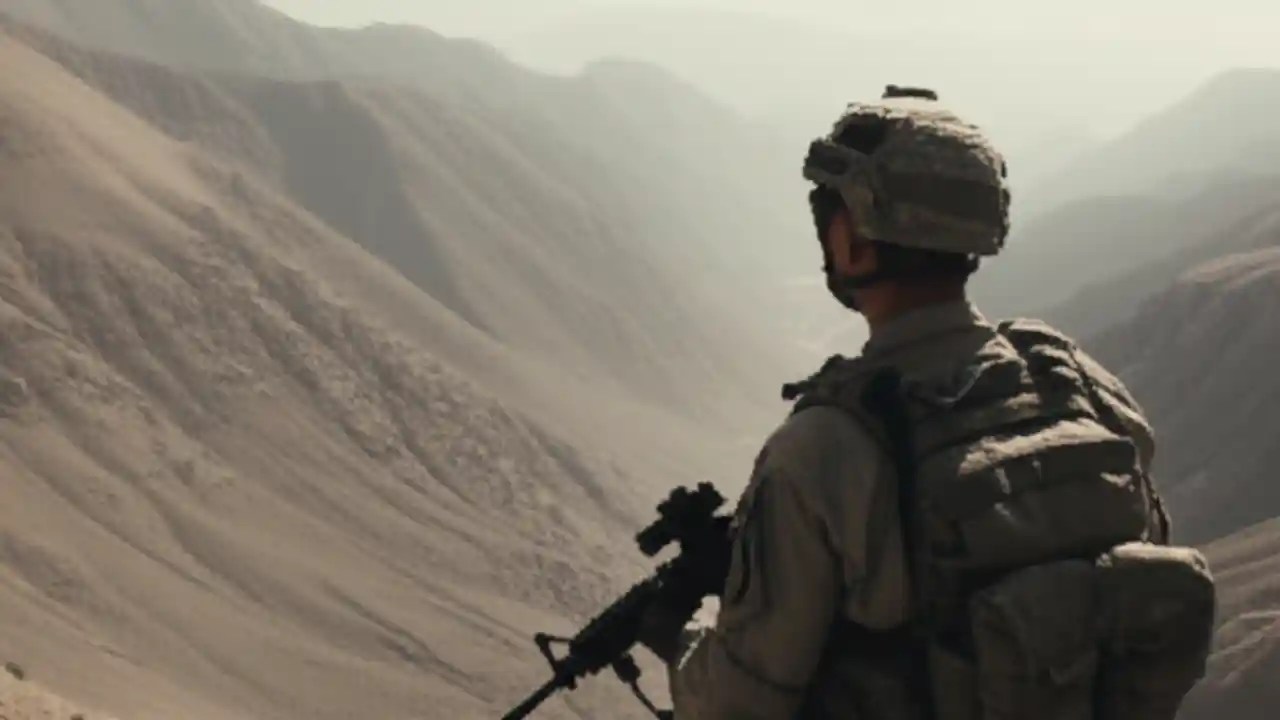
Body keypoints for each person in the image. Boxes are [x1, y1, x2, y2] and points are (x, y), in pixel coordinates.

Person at [637, 86, 1212, 720]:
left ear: (853, 243)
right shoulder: (1074, 381)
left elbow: (739, 705)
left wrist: (679, 634)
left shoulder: (823, 450)